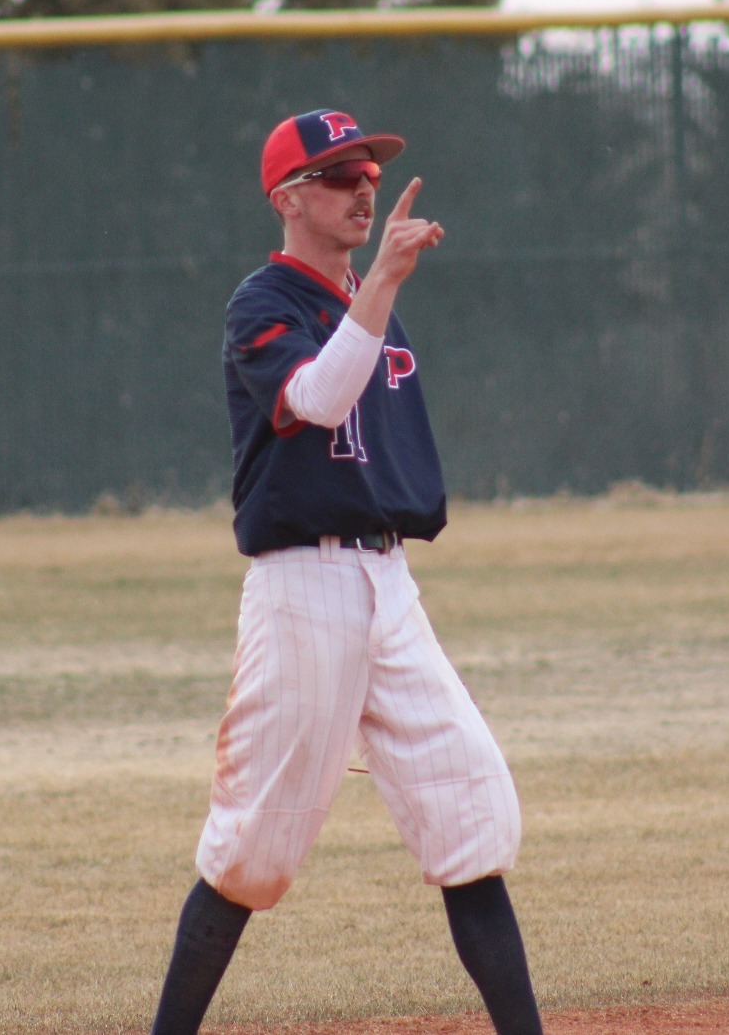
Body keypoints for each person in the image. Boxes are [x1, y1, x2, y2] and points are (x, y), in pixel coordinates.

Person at [147, 109, 542, 1035]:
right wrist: (385, 286)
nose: (363, 185)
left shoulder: (372, 297)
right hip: (301, 591)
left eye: (368, 169)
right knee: (253, 851)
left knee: (471, 812)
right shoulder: (263, 302)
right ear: (288, 197)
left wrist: (380, 290)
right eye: (336, 174)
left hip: (387, 584)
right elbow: (315, 400)